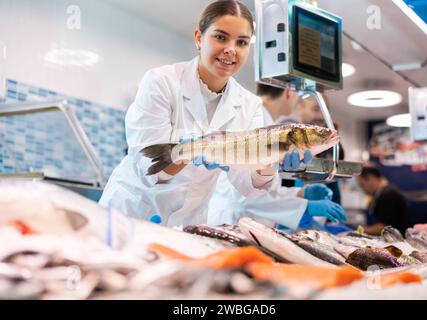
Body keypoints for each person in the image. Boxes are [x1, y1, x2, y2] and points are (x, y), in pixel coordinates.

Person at [99, 1, 308, 227]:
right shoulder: (161, 82)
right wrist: (185, 153)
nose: (231, 49)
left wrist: (271, 160)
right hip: (132, 212)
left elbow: (248, 186)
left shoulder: (250, 105)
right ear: (199, 37)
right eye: (221, 37)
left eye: (242, 42)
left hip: (188, 222)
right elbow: (147, 167)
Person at [208, 83, 346, 230]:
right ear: (289, 92)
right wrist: (305, 207)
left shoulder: (270, 125)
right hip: (235, 222)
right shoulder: (252, 120)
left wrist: (301, 193)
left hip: (249, 222)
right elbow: (245, 196)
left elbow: (266, 189)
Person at [356, 166, 412, 235]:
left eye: (362, 185)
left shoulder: (388, 195)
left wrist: (359, 231)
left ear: (370, 177)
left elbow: (384, 227)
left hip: (395, 242)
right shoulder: (380, 194)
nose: (362, 189)